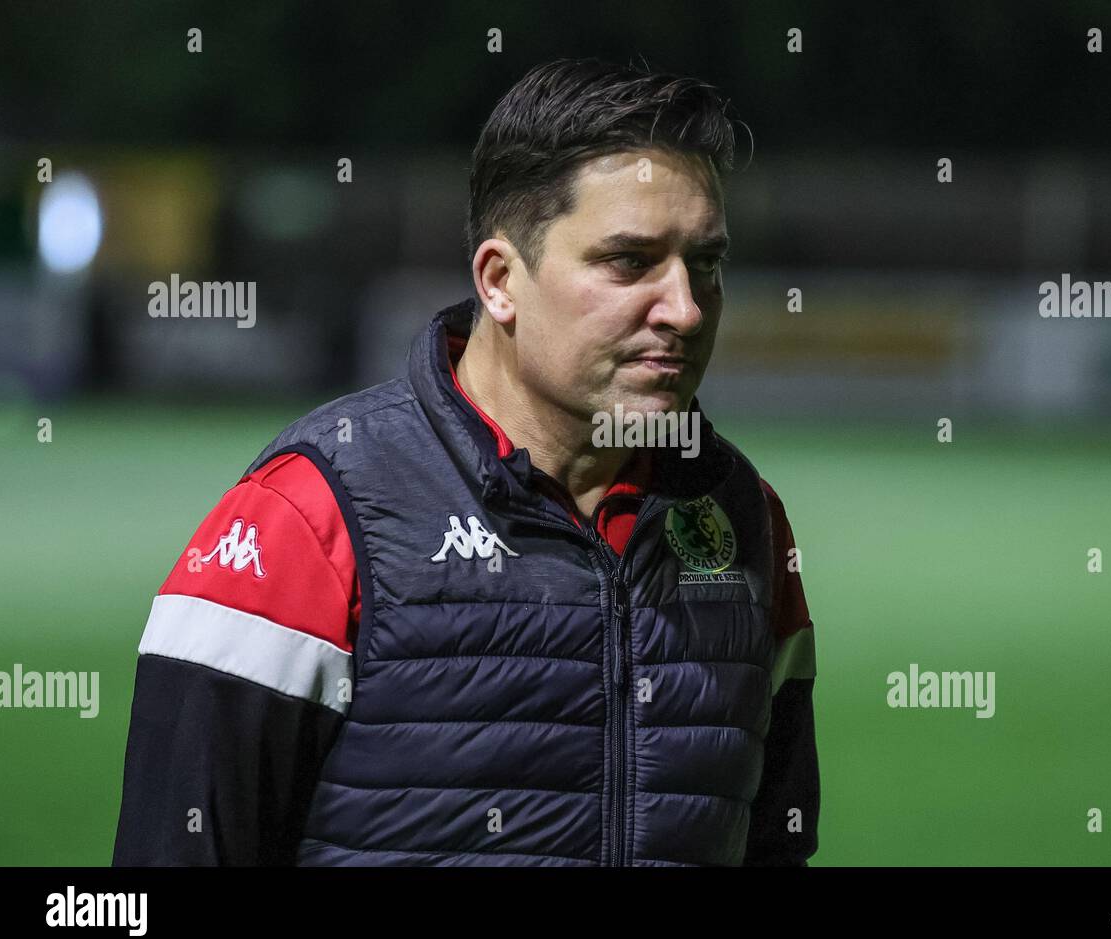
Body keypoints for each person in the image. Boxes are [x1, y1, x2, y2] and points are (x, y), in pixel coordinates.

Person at [112, 57, 820, 867]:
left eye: (706, 263)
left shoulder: (744, 521)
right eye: (629, 262)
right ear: (499, 281)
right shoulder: (309, 517)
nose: (686, 309)